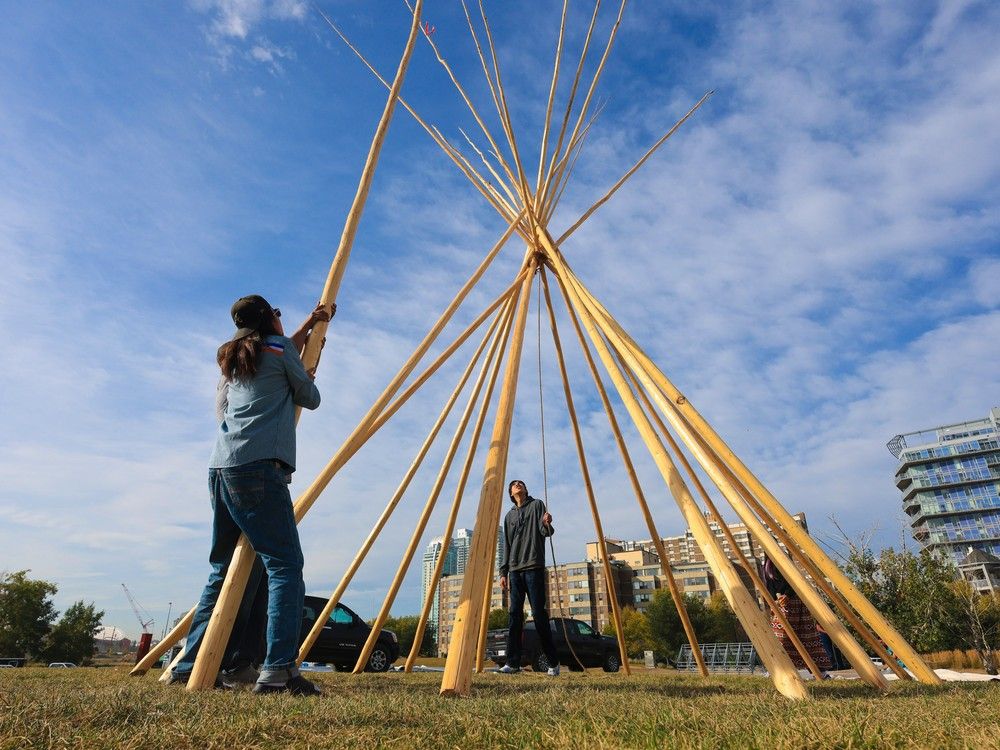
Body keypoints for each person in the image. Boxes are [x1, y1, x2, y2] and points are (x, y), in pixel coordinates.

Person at [169, 295, 332, 695]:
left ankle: (189, 665)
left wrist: (309, 326)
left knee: (220, 570)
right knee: (284, 566)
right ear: (268, 320)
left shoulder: (232, 357)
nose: (282, 319)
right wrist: (305, 367)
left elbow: (275, 351)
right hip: (260, 469)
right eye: (278, 314)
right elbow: (310, 398)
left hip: (221, 468)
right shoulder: (277, 350)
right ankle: (277, 670)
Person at [497, 479, 560, 676]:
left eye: (521, 483)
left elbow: (545, 532)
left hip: (533, 566)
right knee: (514, 616)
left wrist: (547, 523)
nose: (518, 485)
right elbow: (506, 545)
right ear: (510, 492)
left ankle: (553, 662)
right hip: (515, 570)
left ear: (525, 489)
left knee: (539, 615)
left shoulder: (537, 505)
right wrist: (503, 572)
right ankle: (513, 662)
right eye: (514, 484)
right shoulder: (508, 517)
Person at [761, 554, 831, 676]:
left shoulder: (784, 562)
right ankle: (775, 669)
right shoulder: (767, 568)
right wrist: (774, 601)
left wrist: (787, 595)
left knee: (806, 637)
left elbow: (795, 581)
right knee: (780, 637)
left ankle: (821, 673)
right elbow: (769, 586)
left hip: (796, 603)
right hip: (781, 606)